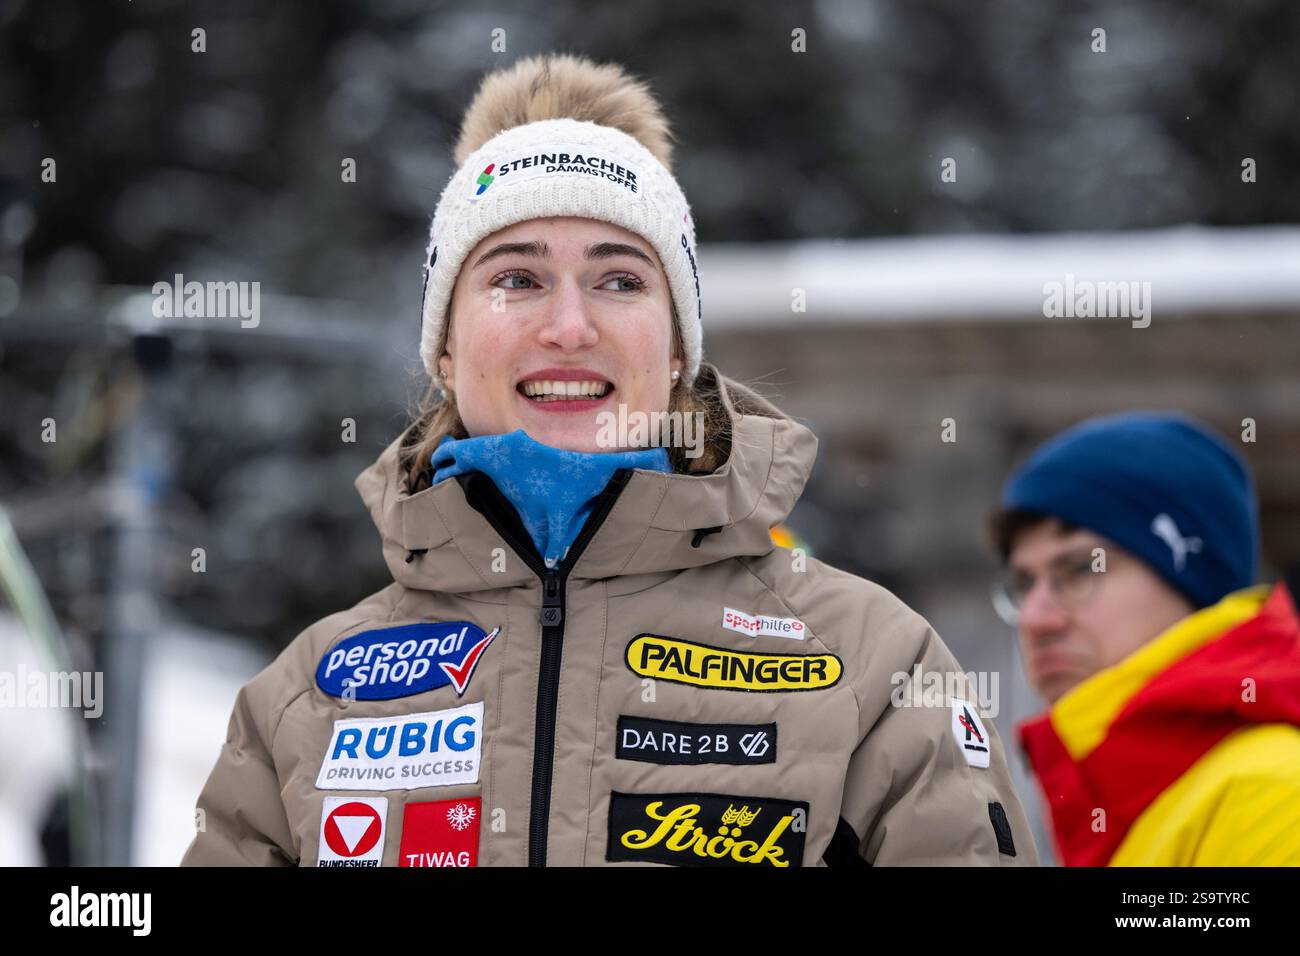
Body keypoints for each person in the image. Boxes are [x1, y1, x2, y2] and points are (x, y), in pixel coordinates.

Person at [181, 53, 1036, 868]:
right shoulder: (306, 698)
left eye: (620, 281)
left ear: (677, 350)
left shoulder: (877, 667)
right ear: (444, 348)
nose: (569, 327)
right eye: (516, 278)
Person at [989, 411, 1300, 865]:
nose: (1035, 619)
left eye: (1078, 570)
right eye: (1023, 583)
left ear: (1189, 576)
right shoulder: (1125, 799)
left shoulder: (1272, 796)